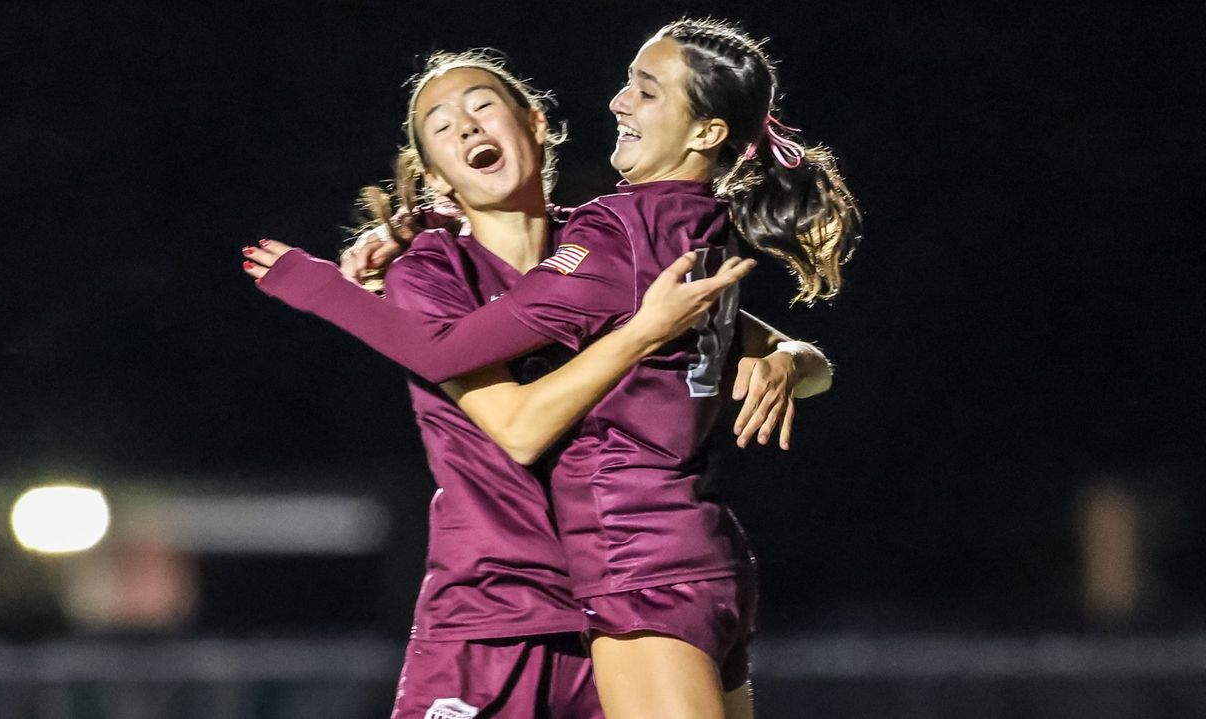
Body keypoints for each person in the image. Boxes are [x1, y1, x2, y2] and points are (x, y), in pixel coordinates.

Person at [244, 18, 858, 719]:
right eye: (440, 126)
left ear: (536, 122)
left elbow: (766, 349)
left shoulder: (603, 241)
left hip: (623, 589)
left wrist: (784, 356)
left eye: (481, 106)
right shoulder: (434, 270)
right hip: (496, 612)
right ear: (432, 171)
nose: (467, 126)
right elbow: (517, 421)